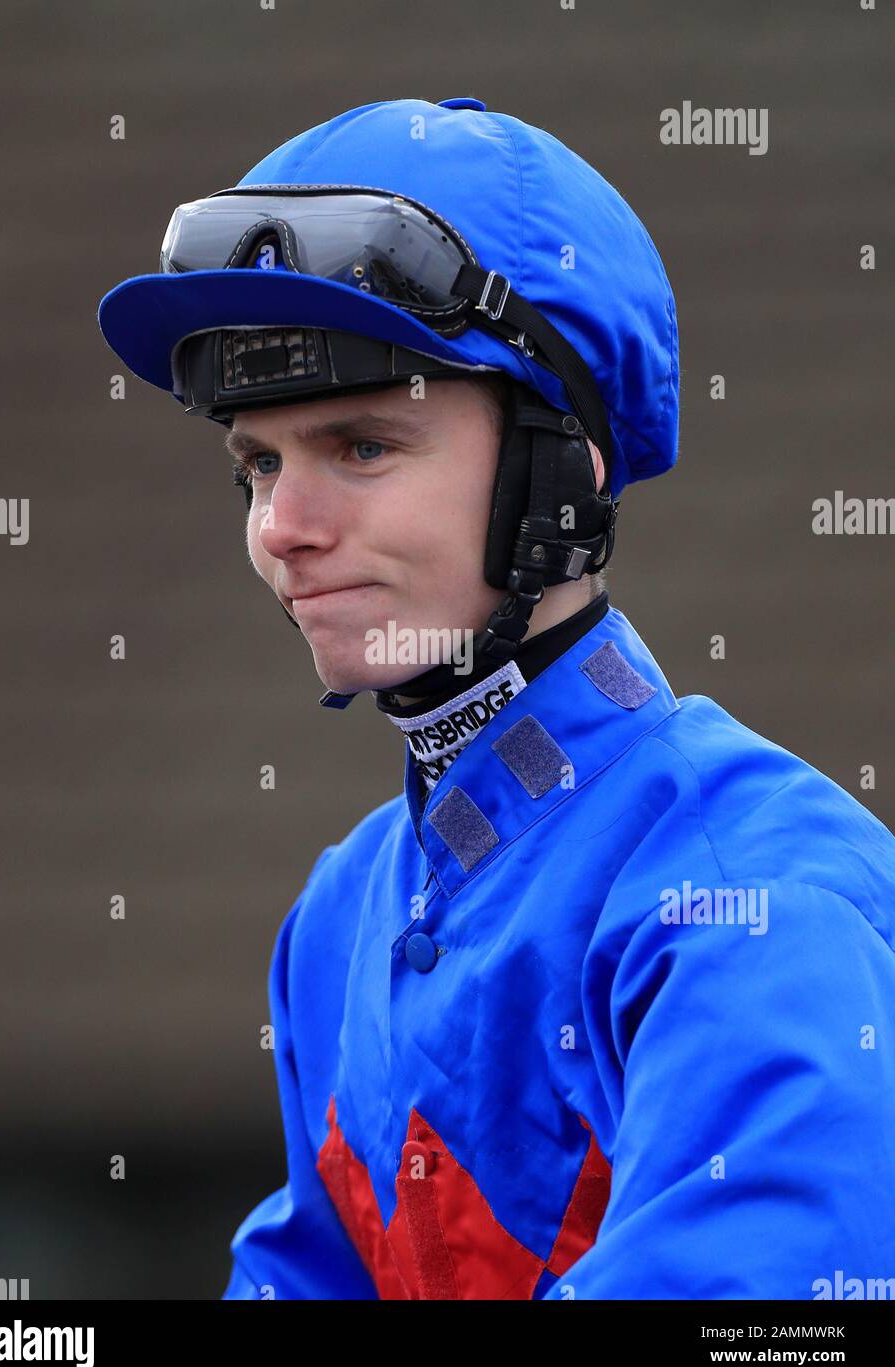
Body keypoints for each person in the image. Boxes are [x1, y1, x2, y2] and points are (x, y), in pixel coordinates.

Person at [98, 97, 895, 1301]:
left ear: (555, 479)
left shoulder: (754, 895)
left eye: (360, 445)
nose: (282, 528)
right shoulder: (342, 914)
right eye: (257, 463)